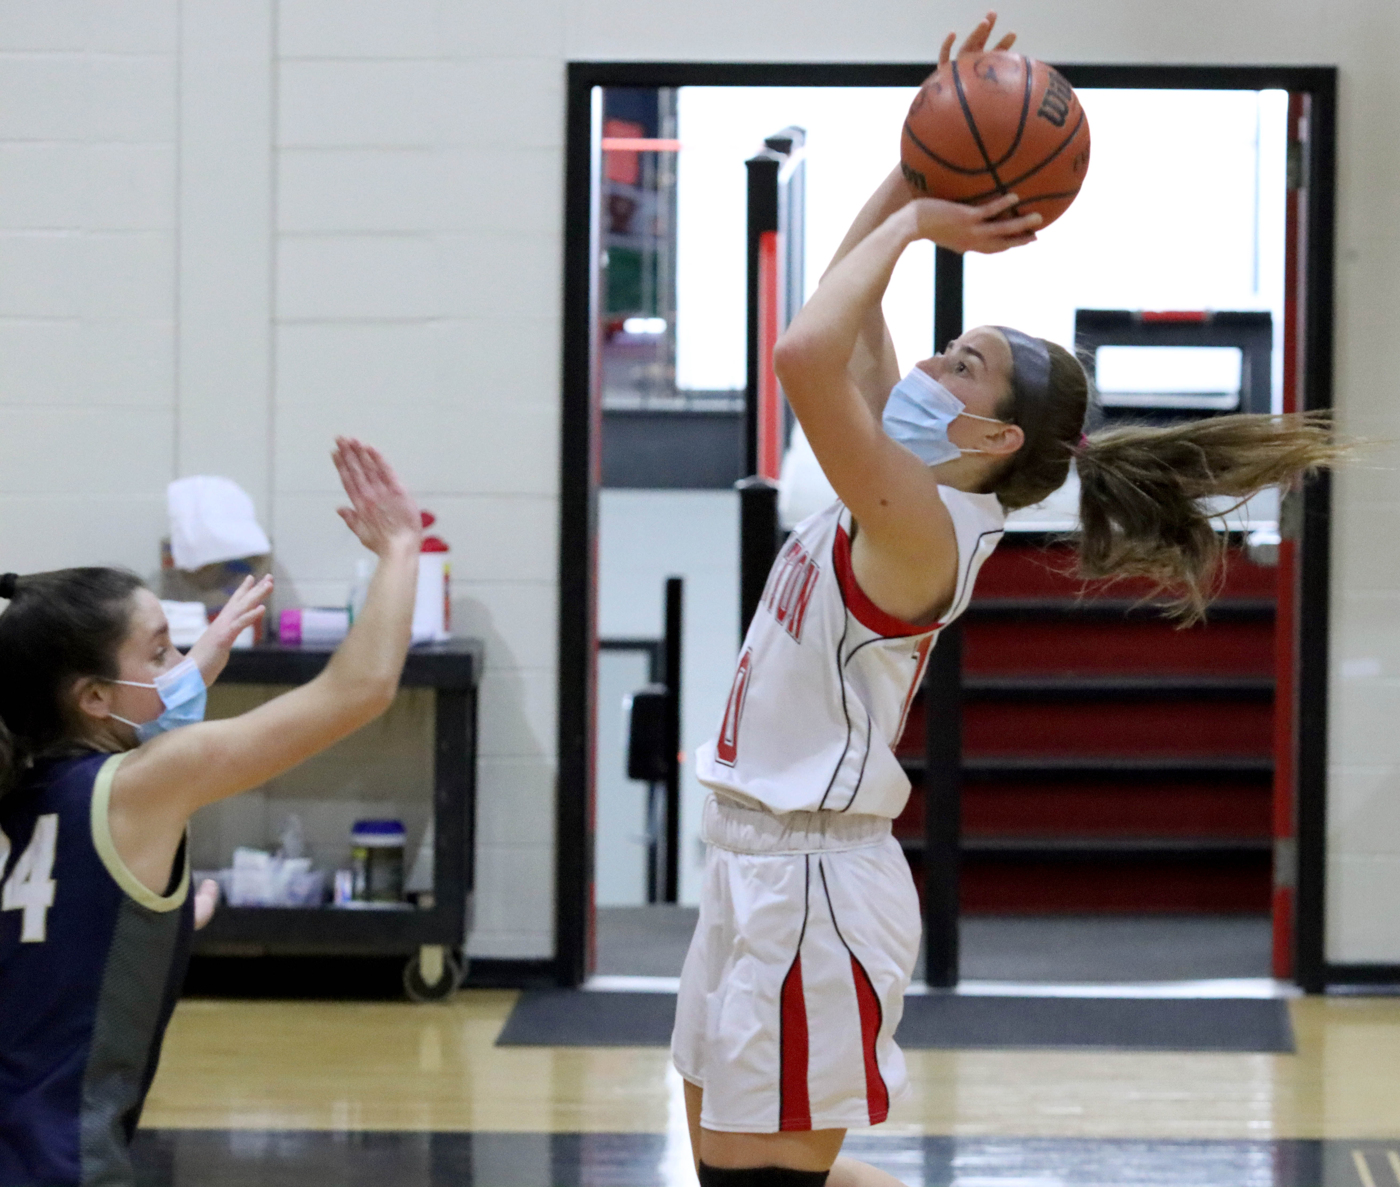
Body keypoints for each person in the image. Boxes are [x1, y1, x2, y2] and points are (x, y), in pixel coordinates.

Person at [671, 15, 1340, 1187]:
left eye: (960, 363)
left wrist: (920, 222)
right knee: (740, 1168)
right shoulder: (903, 478)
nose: (929, 363)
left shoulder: (918, 523)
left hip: (807, 882)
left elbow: (801, 351)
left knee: (752, 1177)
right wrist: (917, 165)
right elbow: (837, 300)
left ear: (988, 438)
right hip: (750, 862)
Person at [0, 438, 423, 1187]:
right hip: (61, 1164)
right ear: (93, 698)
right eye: (162, 652)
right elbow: (360, 689)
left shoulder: (20, 786)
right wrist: (399, 548)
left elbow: (57, 942)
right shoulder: (139, 786)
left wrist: (157, 925)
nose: (181, 669)